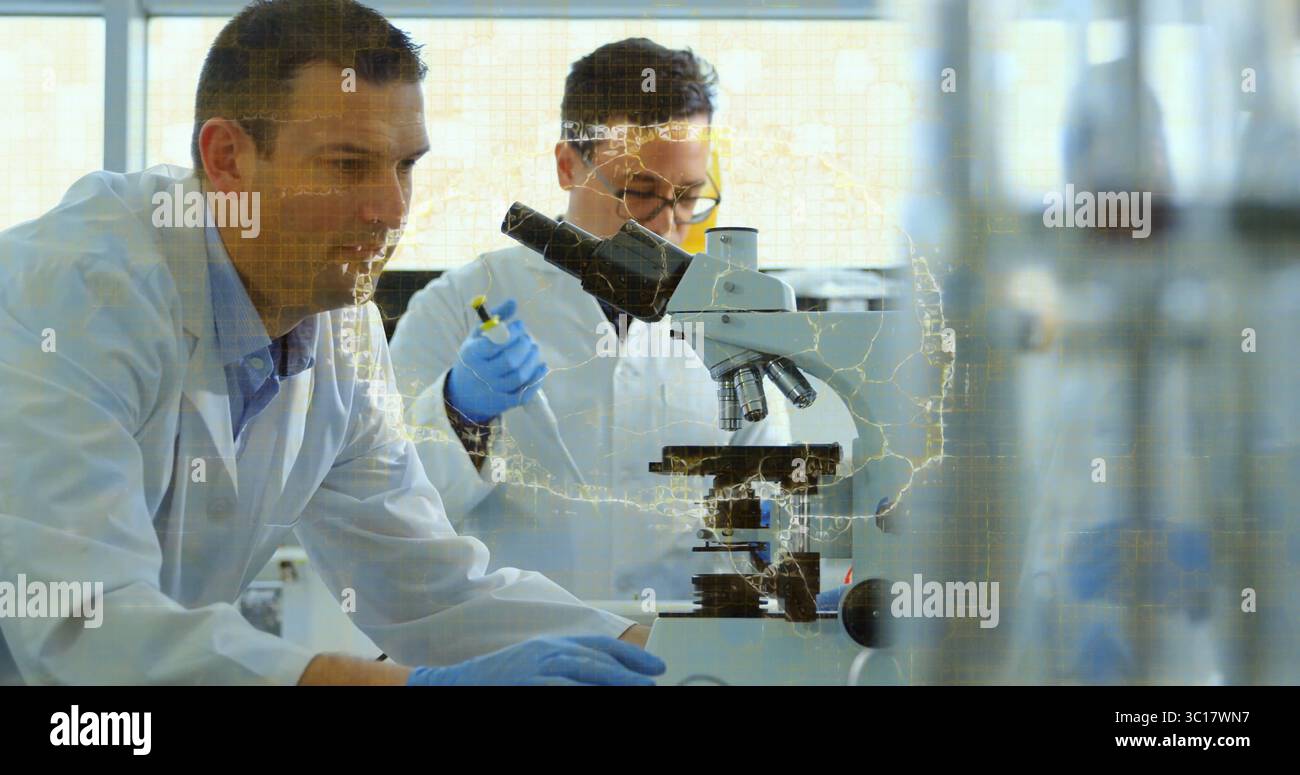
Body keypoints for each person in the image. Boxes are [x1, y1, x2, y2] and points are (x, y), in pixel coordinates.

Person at [0, 0, 662, 686]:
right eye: (348, 166)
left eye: (405, 165)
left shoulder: (342, 325)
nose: (393, 208)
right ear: (227, 159)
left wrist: (674, 656)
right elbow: (86, 625)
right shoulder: (77, 292)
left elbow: (424, 581)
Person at [389, 38, 791, 602]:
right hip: (513, 646)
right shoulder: (457, 304)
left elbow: (761, 510)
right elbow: (391, 514)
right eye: (640, 192)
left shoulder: (729, 321)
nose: (666, 225)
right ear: (567, 165)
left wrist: (780, 572)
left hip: (675, 655)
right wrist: (460, 412)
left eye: (689, 197)